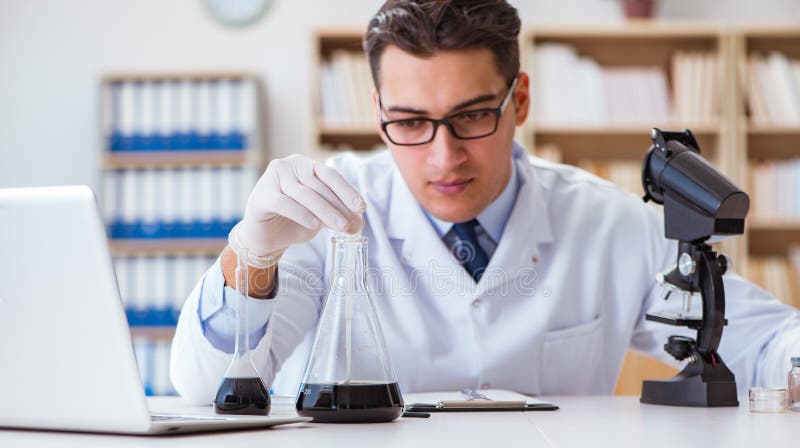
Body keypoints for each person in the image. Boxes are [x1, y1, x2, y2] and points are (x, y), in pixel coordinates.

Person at [170, 0, 799, 405]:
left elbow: (767, 342)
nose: (444, 158)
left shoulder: (610, 223)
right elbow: (202, 389)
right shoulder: (318, 216)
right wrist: (249, 257)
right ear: (378, 112)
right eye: (410, 122)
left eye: (471, 116)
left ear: (519, 101)